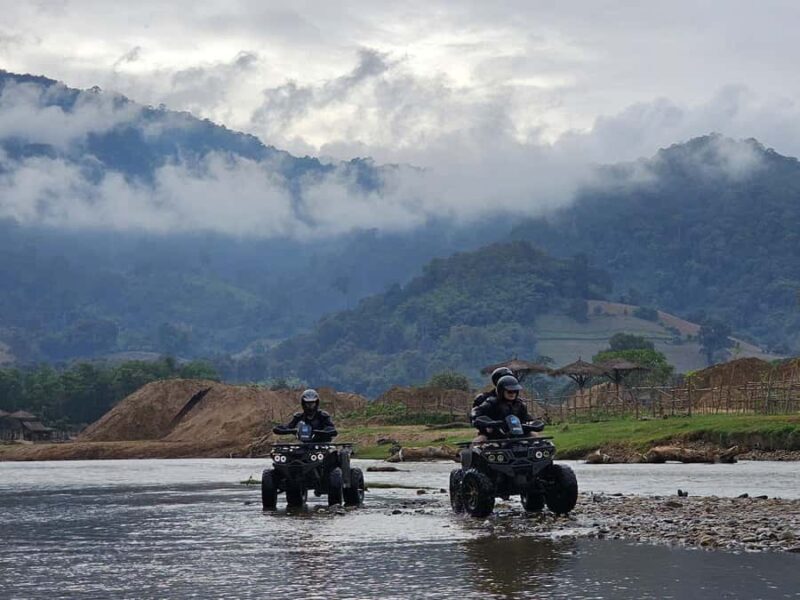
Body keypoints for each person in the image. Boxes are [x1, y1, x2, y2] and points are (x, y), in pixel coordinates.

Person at [470, 375, 536, 443]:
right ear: (501, 391)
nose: (513, 393)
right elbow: (476, 412)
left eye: (515, 391)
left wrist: (533, 424)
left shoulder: (520, 404)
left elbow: (528, 418)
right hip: (493, 434)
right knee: (479, 440)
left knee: (535, 437)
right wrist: (482, 421)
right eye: (509, 391)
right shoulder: (492, 403)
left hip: (518, 434)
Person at [273, 389, 338, 442]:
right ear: (303, 404)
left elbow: (331, 429)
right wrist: (281, 429)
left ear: (316, 403)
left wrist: (322, 431)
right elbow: (288, 426)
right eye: (308, 403)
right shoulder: (299, 417)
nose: (310, 406)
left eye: (312, 403)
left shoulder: (323, 416)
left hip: (322, 445)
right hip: (304, 446)